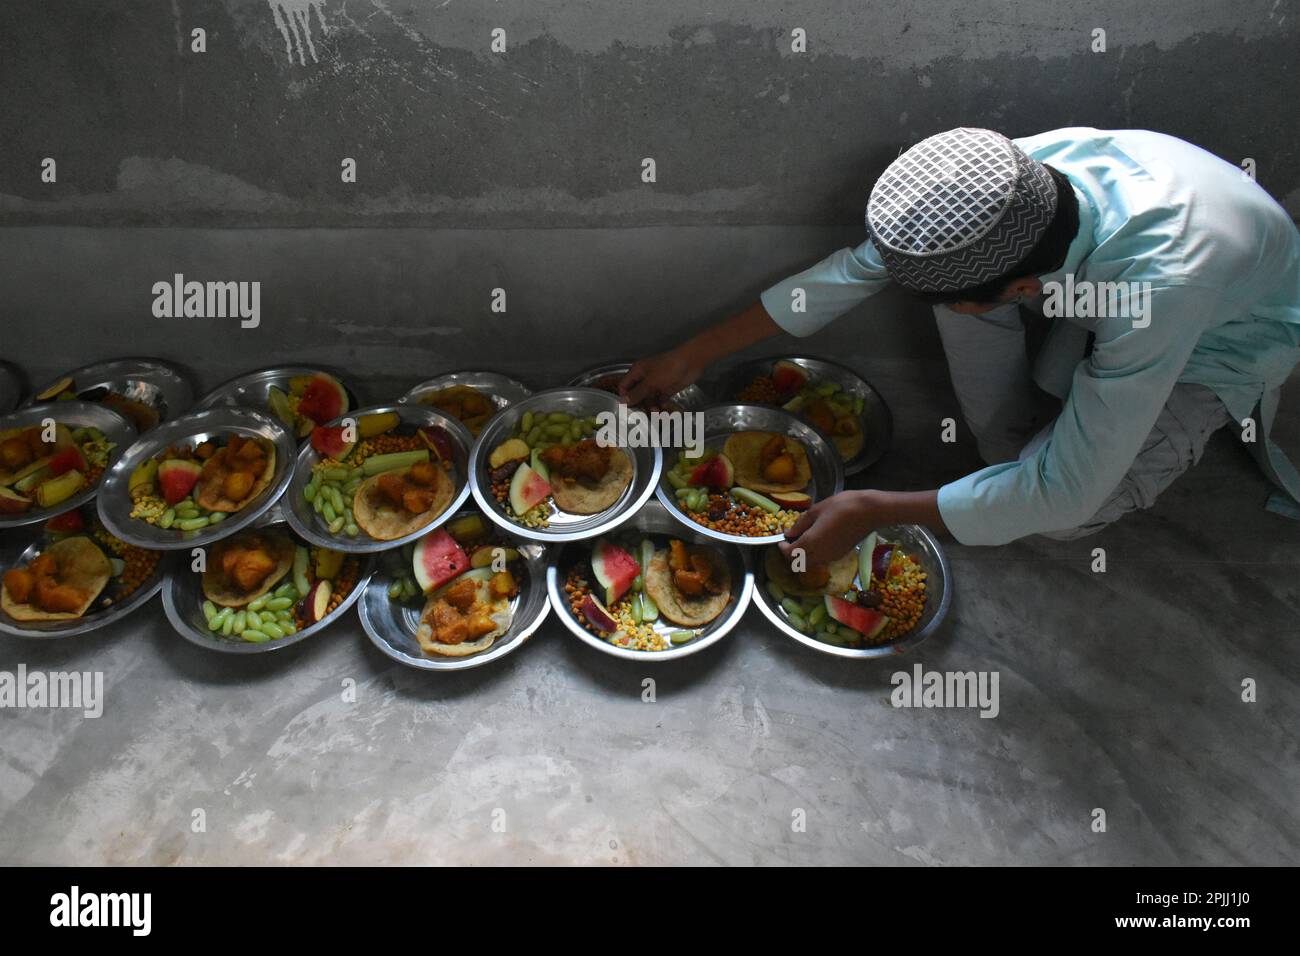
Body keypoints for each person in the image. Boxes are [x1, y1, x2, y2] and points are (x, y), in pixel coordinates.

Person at [620, 127, 1300, 565]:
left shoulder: (1158, 292)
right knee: (1008, 439)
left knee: (1066, 512)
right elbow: (856, 271)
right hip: (1108, 281)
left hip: (1220, 339)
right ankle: (1010, 458)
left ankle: (1015, 473)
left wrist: (882, 509)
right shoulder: (1002, 183)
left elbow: (1067, 496)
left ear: (1026, 287)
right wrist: (694, 354)